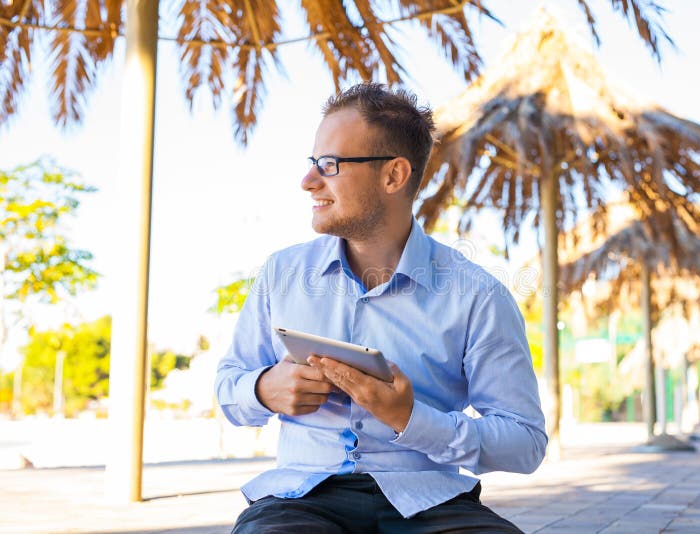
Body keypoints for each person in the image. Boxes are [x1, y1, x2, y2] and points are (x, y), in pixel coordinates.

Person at [215, 83, 548, 533]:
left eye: (329, 165)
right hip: (298, 501)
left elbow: (524, 443)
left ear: (393, 176)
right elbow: (229, 385)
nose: (308, 181)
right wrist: (262, 389)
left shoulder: (478, 295)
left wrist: (411, 420)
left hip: (432, 502)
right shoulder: (281, 274)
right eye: (313, 163)